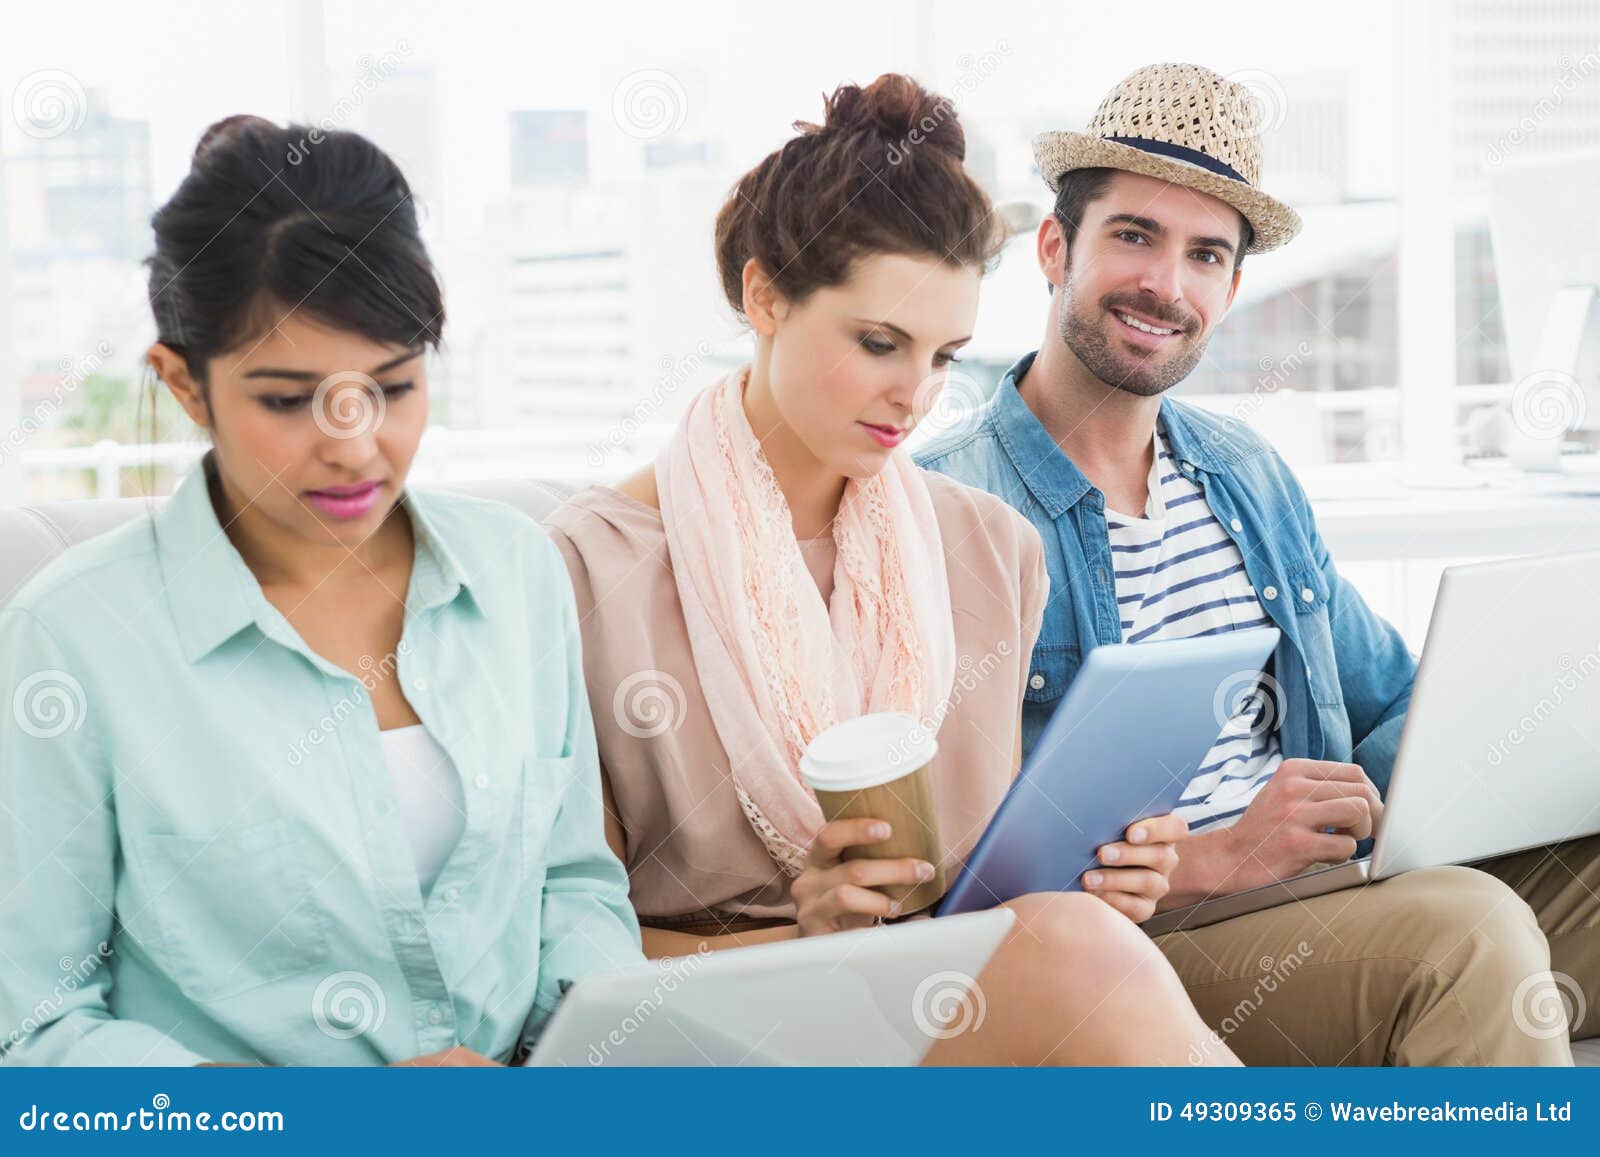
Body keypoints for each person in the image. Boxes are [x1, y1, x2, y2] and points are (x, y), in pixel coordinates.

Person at [546, 74, 1236, 1066]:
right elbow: (572, 964)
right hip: (723, 1037)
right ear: (763, 295)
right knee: (1082, 960)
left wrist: (1105, 868)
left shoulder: (992, 550)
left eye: (945, 355)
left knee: (1083, 938)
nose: (914, 395)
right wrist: (806, 937)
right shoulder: (582, 572)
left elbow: (989, 895)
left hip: (959, 1013)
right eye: (879, 342)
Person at [918, 62, 1592, 1064]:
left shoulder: (1245, 474)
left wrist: (1467, 775)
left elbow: (1394, 701)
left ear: (1231, 288)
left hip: (1316, 892)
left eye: (1205, 255)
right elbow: (953, 875)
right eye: (1134, 236)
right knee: (1469, 933)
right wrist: (1217, 856)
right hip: (1134, 957)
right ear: (1055, 248)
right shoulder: (946, 506)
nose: (1166, 285)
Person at [0, 117, 641, 1066]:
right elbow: (32, 1031)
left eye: (394, 384)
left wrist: (566, 1066)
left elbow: (575, 886)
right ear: (183, 384)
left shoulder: (517, 571)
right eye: (288, 398)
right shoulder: (72, 639)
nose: (354, 443)